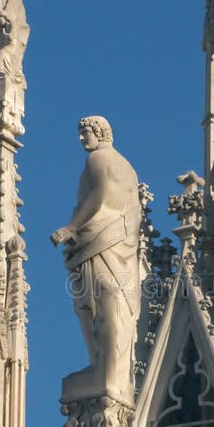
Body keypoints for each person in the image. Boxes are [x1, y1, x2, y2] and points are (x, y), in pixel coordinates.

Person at [51, 117, 141, 406]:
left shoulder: (98, 160)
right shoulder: (127, 166)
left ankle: (104, 370)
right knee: (114, 307)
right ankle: (112, 371)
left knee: (97, 306)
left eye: (85, 133)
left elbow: (97, 199)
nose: (82, 139)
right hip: (121, 243)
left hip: (100, 240)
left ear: (100, 133)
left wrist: (71, 228)